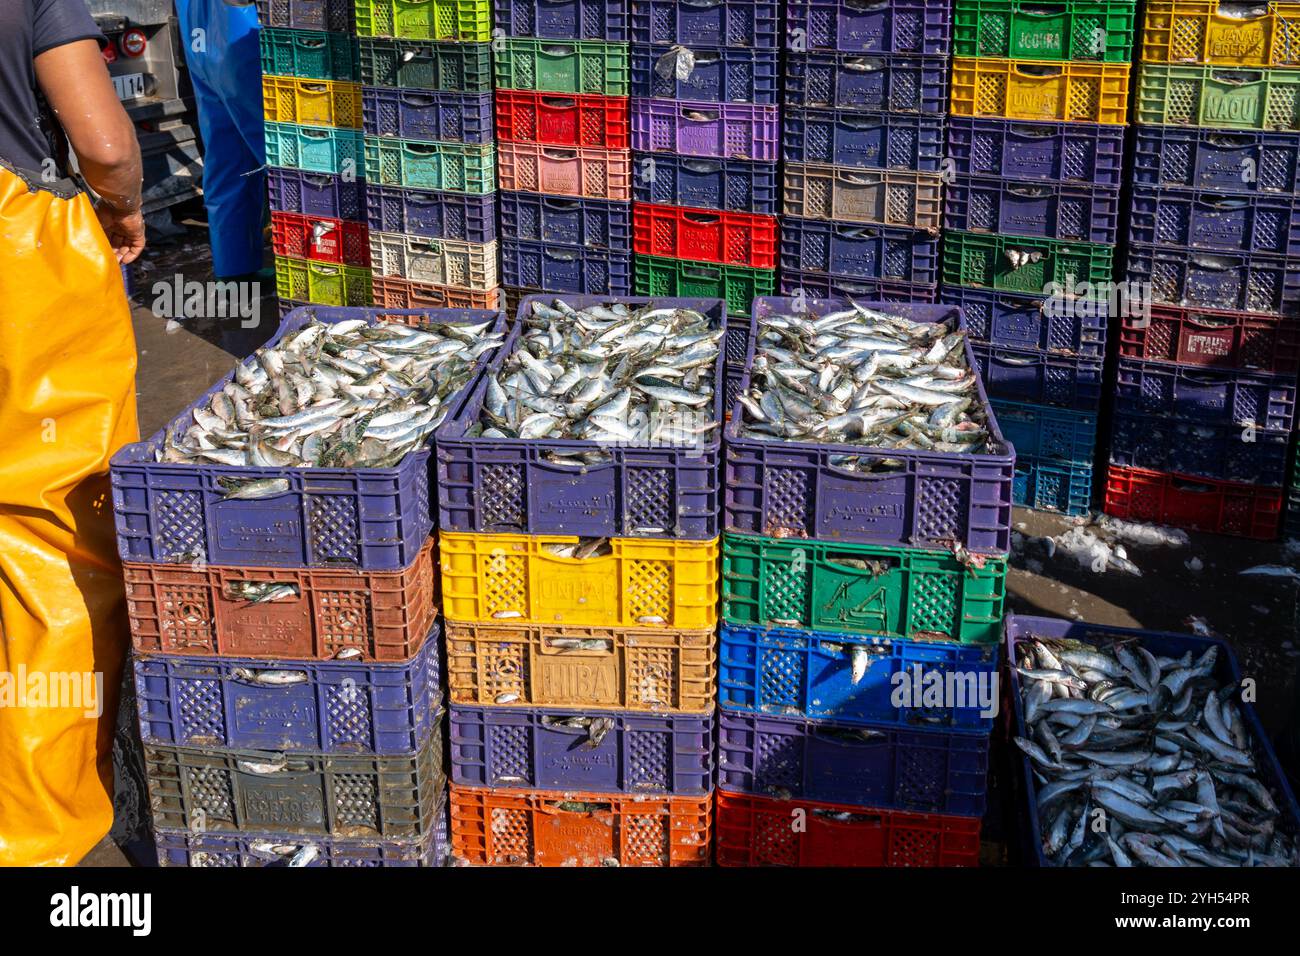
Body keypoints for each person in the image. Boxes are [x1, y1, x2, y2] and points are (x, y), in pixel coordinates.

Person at [0, 0, 143, 866]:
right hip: (21, 273)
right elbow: (105, 141)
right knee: (51, 536)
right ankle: (39, 818)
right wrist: (121, 208)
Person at [174, 0, 267, 279]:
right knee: (280, 156)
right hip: (240, 30)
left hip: (198, 32)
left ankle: (235, 270)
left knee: (226, 152)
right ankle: (309, 266)